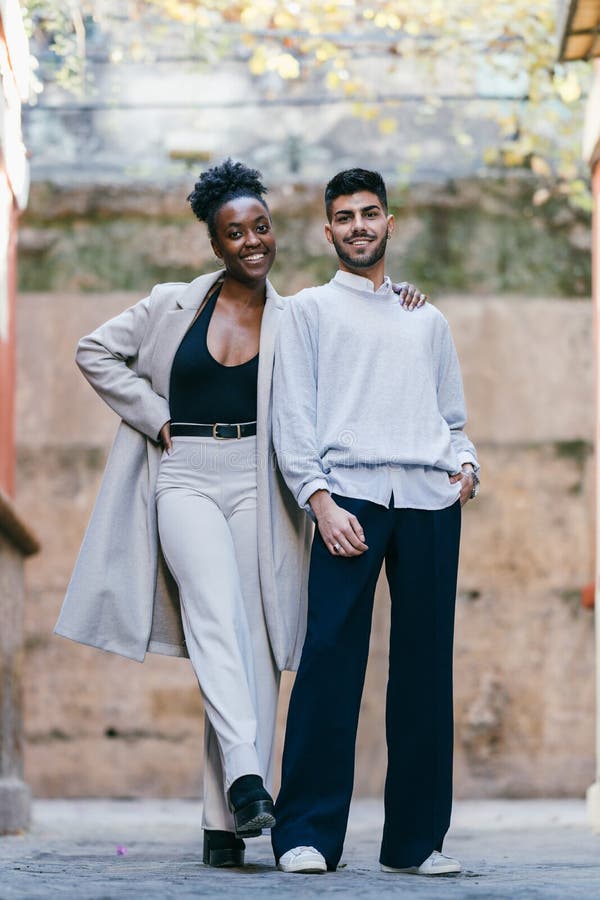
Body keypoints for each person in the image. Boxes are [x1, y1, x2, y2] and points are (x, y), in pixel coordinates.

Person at [54, 160, 427, 869]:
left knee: (258, 647)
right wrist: (156, 417)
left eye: (262, 227)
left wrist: (401, 296)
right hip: (186, 474)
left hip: (260, 480)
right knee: (214, 619)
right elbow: (94, 351)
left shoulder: (302, 315)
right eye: (236, 232)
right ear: (216, 243)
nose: (253, 241)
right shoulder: (171, 304)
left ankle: (222, 820)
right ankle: (252, 779)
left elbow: (362, 327)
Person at [271, 168, 479, 876]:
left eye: (370, 214)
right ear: (327, 231)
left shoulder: (427, 318)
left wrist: (468, 469)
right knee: (330, 664)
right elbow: (293, 419)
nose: (359, 226)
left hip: (429, 501)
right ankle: (305, 834)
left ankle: (417, 843)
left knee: (425, 676)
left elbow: (453, 419)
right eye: (345, 217)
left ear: (391, 222)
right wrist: (320, 500)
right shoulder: (306, 312)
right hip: (349, 500)